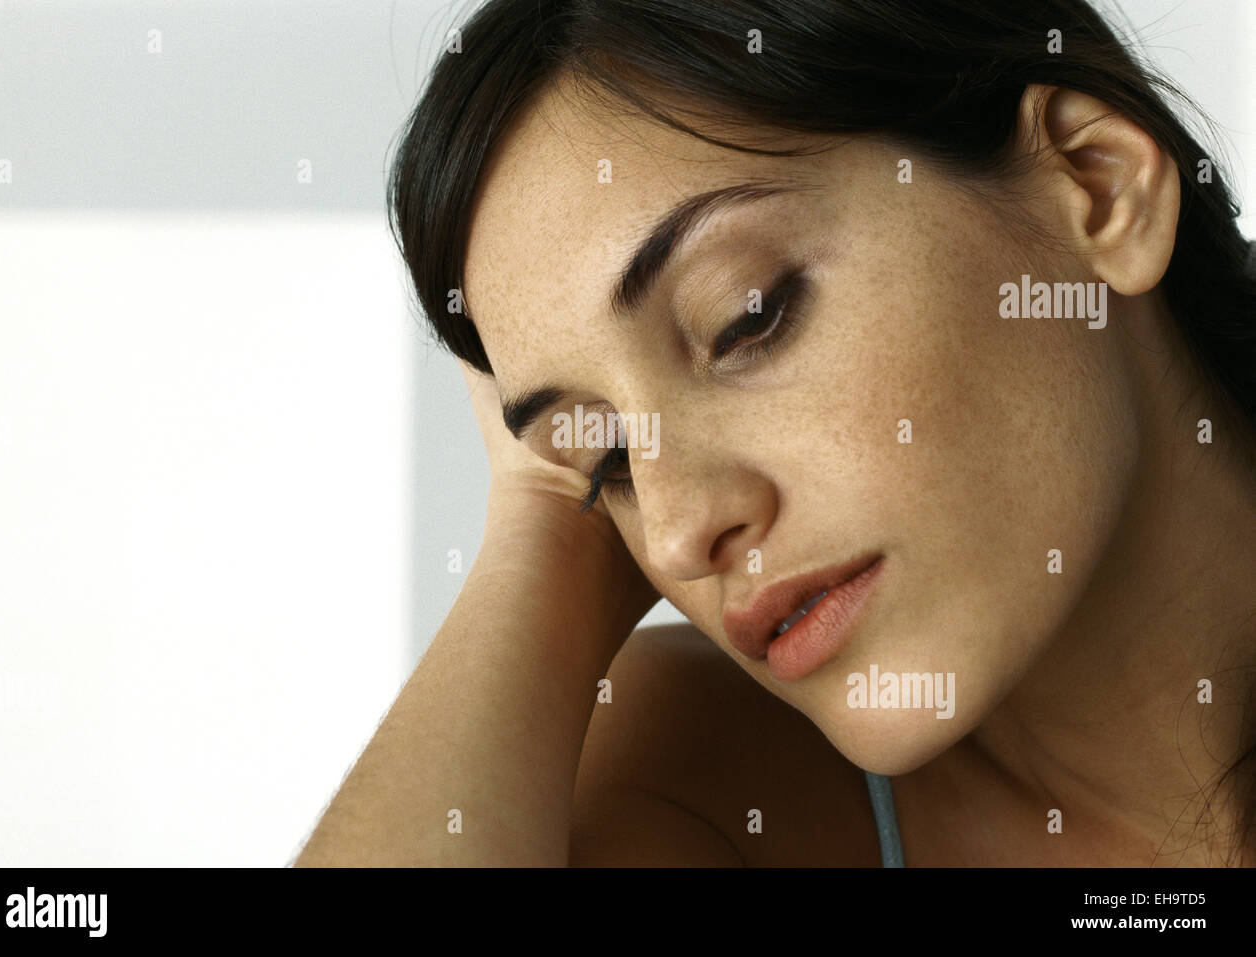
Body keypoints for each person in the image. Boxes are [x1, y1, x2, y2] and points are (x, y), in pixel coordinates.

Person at [296, 0, 1256, 866]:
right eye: (609, 463)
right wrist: (540, 520)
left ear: (1096, 187)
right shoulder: (704, 787)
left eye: (746, 319)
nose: (677, 531)